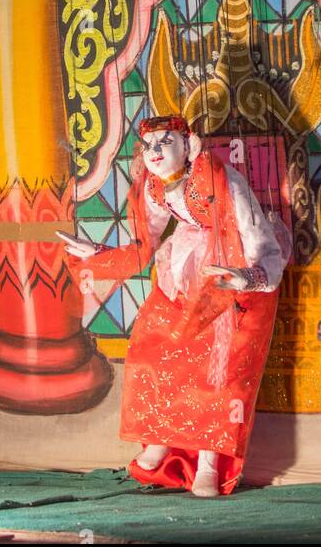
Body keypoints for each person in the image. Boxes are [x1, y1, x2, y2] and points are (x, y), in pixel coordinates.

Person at [61, 115, 290, 498]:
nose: (154, 153)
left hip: (231, 271)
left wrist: (244, 278)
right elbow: (142, 246)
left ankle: (208, 463)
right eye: (148, 145)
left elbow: (262, 245)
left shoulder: (223, 181)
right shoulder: (154, 186)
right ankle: (162, 438)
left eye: (164, 142)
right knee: (152, 348)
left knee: (213, 371)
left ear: (190, 144)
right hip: (183, 271)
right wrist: (96, 254)